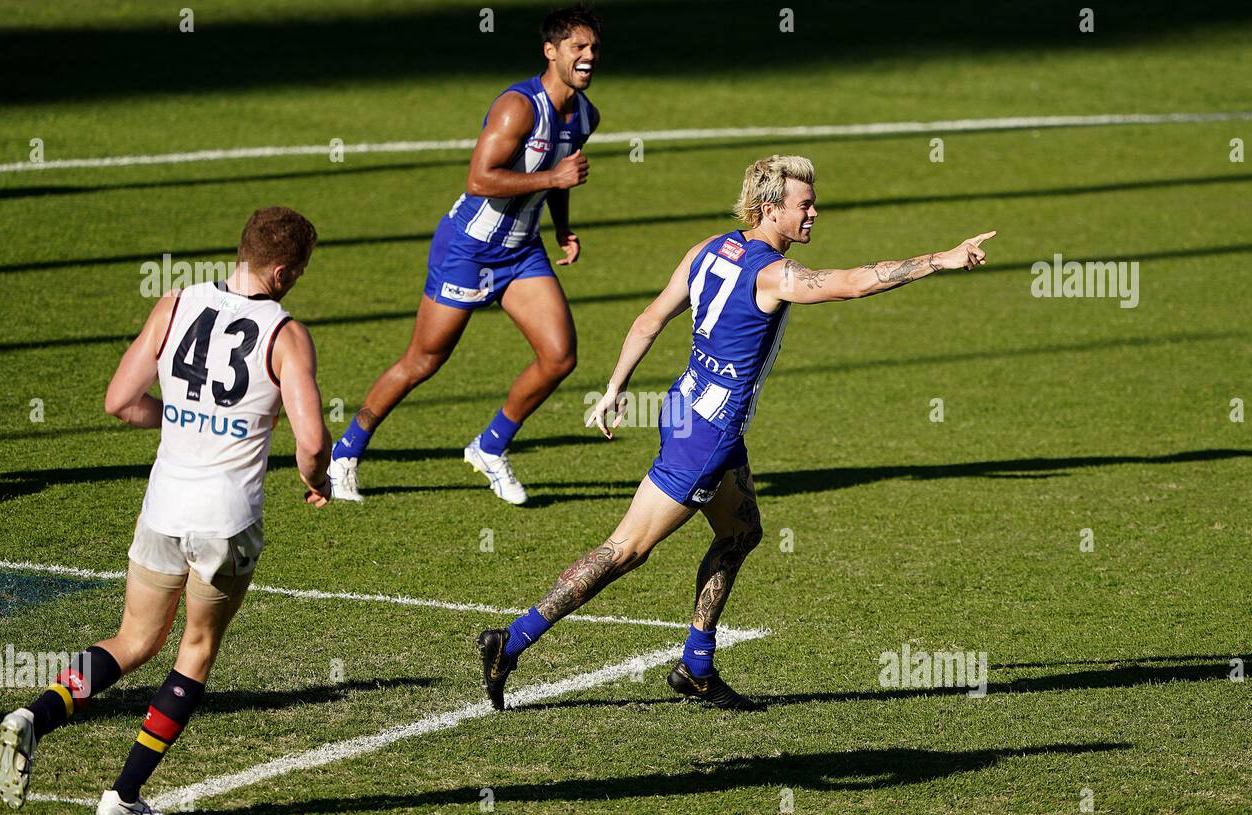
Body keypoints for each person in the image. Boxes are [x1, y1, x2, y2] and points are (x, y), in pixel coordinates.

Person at [478, 155, 996, 710]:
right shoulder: (773, 273)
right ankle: (511, 640)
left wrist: (614, 386)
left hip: (684, 406)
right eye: (804, 204)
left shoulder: (709, 248)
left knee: (741, 533)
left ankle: (696, 667)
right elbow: (850, 283)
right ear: (769, 209)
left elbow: (649, 319)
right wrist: (939, 260)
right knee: (626, 549)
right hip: (708, 434)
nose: (814, 213)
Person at [0, 206, 332, 815]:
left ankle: (31, 716)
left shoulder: (174, 304)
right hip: (225, 519)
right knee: (195, 651)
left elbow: (120, 401)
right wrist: (318, 480)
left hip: (163, 503)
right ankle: (121, 798)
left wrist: (179, 419)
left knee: (132, 640)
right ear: (281, 272)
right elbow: (310, 443)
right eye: (301, 270)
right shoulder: (286, 335)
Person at [327, 3, 603, 506]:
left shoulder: (586, 115)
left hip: (522, 250)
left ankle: (490, 446)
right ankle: (344, 453)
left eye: (593, 49)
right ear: (551, 52)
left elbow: (562, 173)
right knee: (424, 360)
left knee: (559, 356)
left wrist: (563, 226)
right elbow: (479, 180)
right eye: (577, 48)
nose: (588, 57)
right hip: (470, 249)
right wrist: (553, 179)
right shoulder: (518, 107)